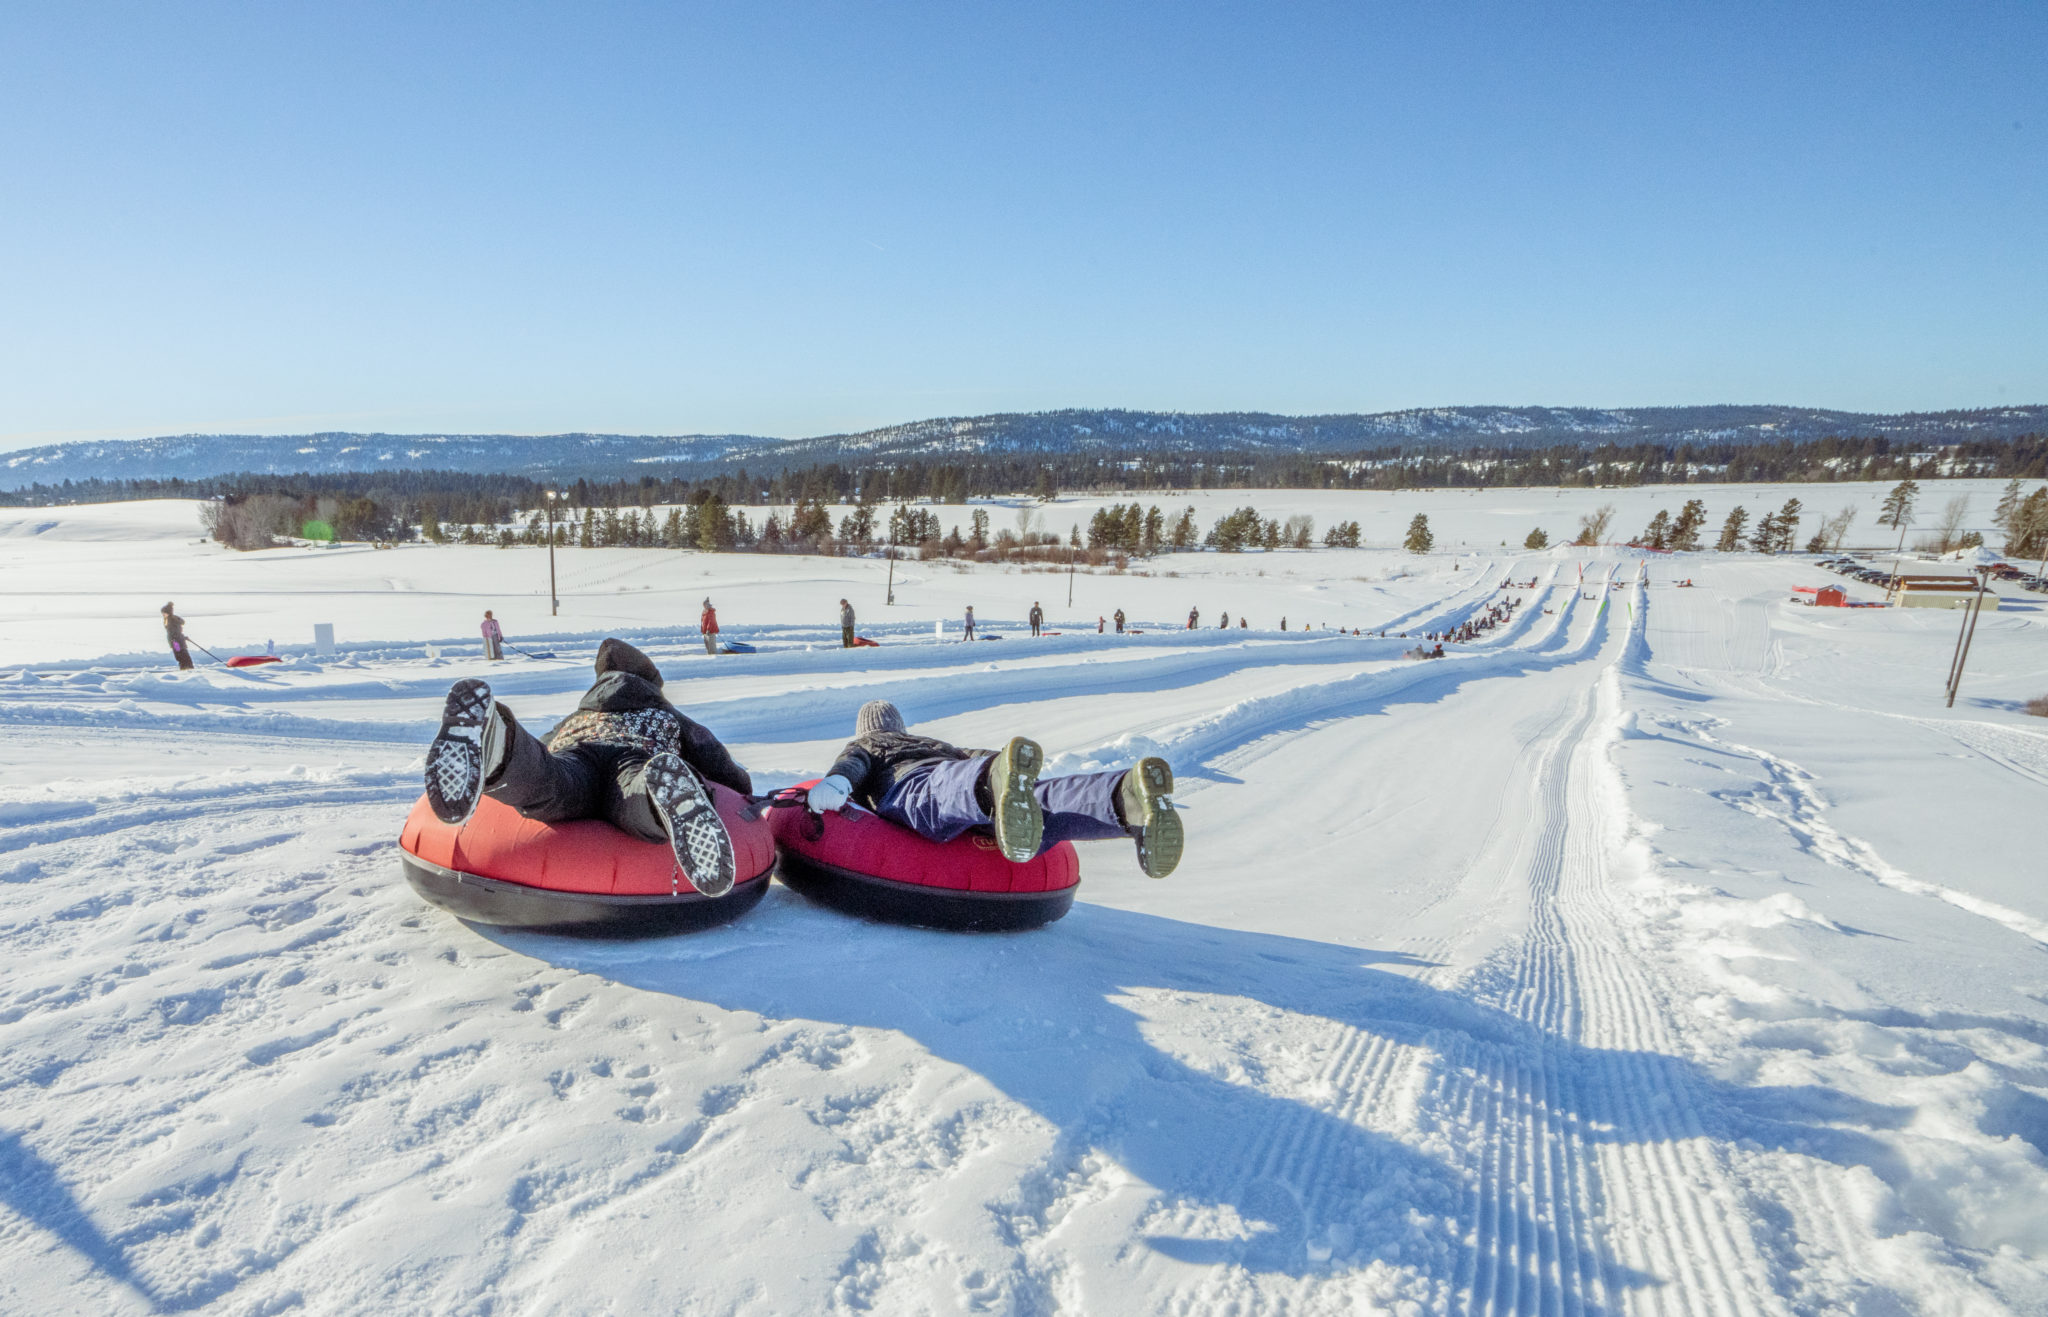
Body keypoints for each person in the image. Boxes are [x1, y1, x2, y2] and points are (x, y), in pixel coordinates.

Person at [423, 638, 751, 895]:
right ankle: (659, 792)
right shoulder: (666, 714)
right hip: (636, 755)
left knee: (549, 781)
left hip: (578, 749)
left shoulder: (581, 713)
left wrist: (522, 757)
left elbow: (543, 748)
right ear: (651, 681)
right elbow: (710, 751)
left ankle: (496, 746)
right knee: (632, 798)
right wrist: (740, 790)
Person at [805, 701, 1183, 878]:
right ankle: (1121, 798)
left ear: (866, 729)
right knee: (1041, 804)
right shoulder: (933, 741)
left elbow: (850, 768)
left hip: (913, 782)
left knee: (935, 797)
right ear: (901, 725)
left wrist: (836, 783)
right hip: (961, 769)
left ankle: (992, 786)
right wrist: (997, 763)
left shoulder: (869, 744)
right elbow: (972, 755)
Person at [162, 603, 194, 670]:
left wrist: (182, 637)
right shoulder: (169, 620)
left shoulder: (170, 619)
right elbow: (175, 631)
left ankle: (187, 670)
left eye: (164, 613)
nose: (163, 614)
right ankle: (187, 670)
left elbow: (175, 632)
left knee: (182, 657)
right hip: (176, 642)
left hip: (176, 642)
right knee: (183, 657)